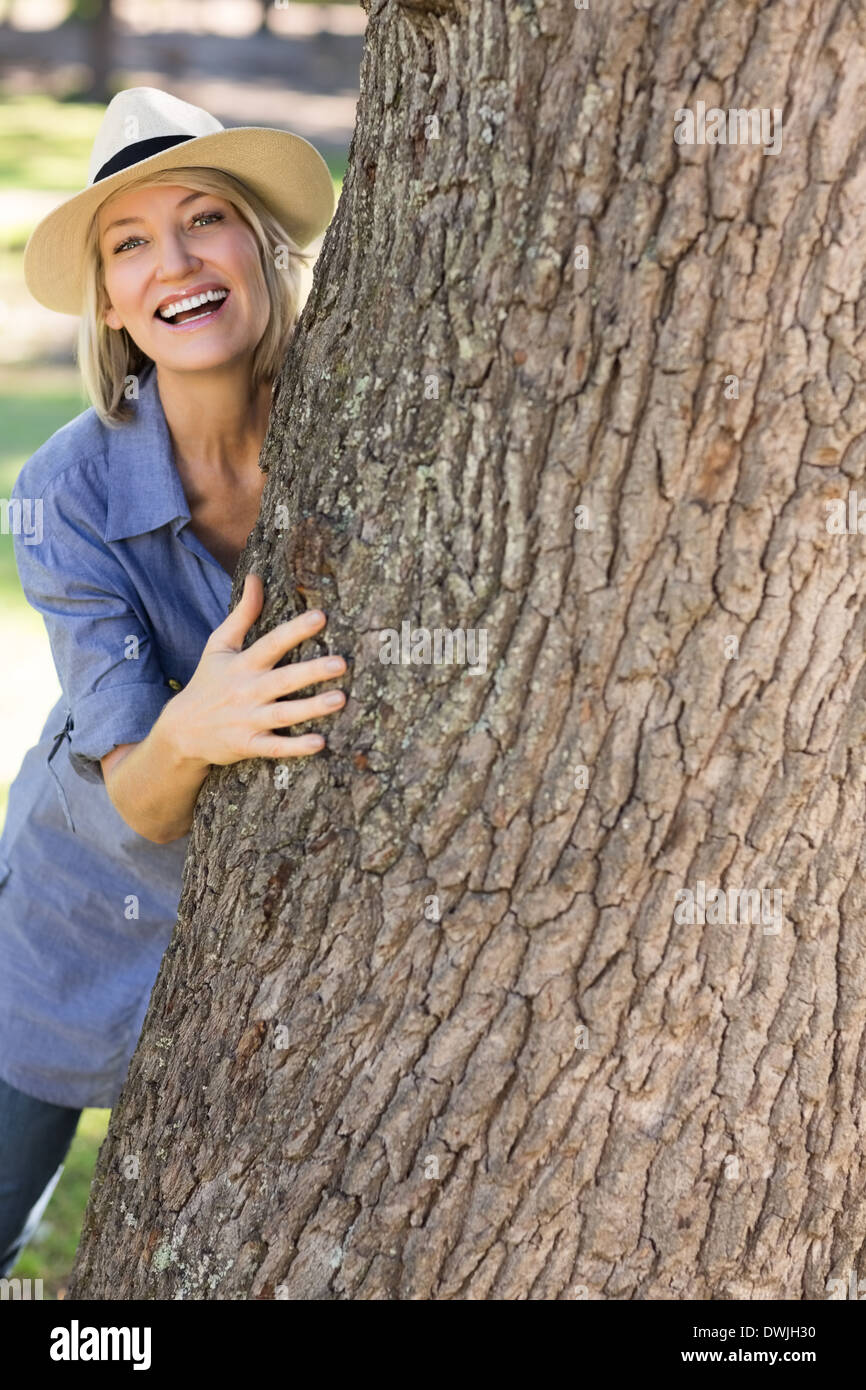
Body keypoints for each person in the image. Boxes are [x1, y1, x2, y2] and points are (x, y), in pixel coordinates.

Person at [0, 87, 346, 1277]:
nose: (176, 263)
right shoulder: (63, 492)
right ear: (107, 300)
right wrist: (197, 726)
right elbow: (140, 796)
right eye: (131, 242)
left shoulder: (368, 425)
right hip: (79, 906)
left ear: (262, 243)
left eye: (206, 220)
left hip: (284, 938)